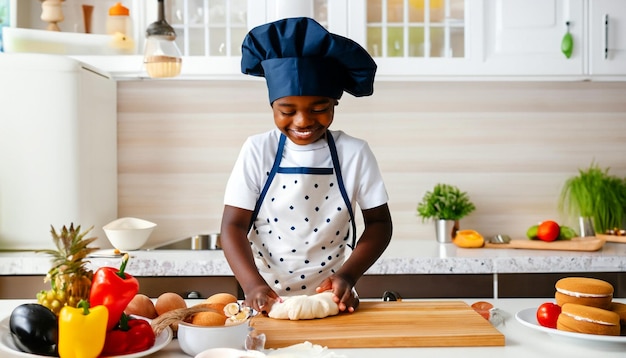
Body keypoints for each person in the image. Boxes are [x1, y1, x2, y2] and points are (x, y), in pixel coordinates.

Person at [220, 17, 392, 315]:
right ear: (272, 107)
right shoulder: (257, 150)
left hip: (333, 296)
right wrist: (252, 285)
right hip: (264, 296)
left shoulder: (354, 153)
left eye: (319, 108)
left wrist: (347, 276)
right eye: (287, 110)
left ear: (334, 104)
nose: (303, 121)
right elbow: (232, 226)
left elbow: (380, 224)